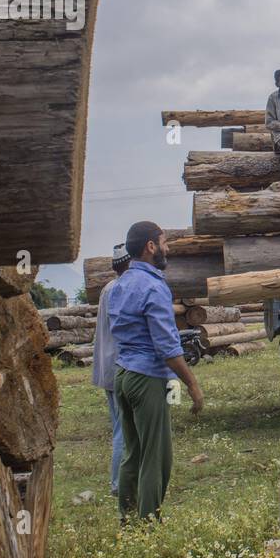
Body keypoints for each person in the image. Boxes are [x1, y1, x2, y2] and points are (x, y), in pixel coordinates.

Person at [108, 220, 204, 520]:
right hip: (147, 377)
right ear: (150, 246)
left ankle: (127, 516)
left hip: (122, 374)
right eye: (164, 242)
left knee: (132, 453)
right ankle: (149, 521)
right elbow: (166, 347)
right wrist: (192, 385)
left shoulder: (120, 284)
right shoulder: (154, 285)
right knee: (156, 456)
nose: (167, 248)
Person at [92, 242, 132, 496]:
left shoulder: (108, 288)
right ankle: (118, 484)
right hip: (119, 366)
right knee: (123, 431)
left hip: (107, 368)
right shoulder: (120, 288)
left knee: (119, 425)